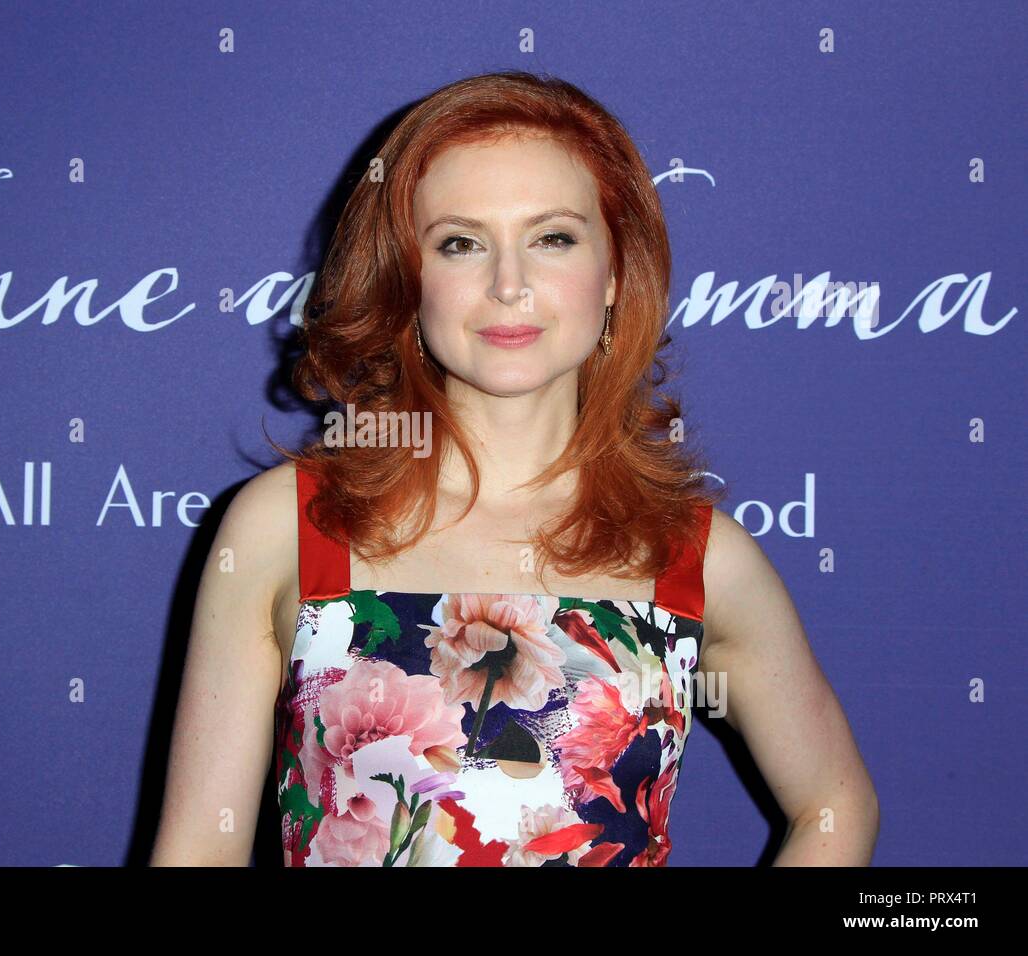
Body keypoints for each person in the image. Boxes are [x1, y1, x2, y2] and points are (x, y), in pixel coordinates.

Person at [150, 70, 878, 867]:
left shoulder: (699, 558)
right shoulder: (284, 527)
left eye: (553, 238)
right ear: (406, 279)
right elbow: (196, 851)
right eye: (460, 242)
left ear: (615, 276)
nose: (509, 284)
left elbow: (834, 805)